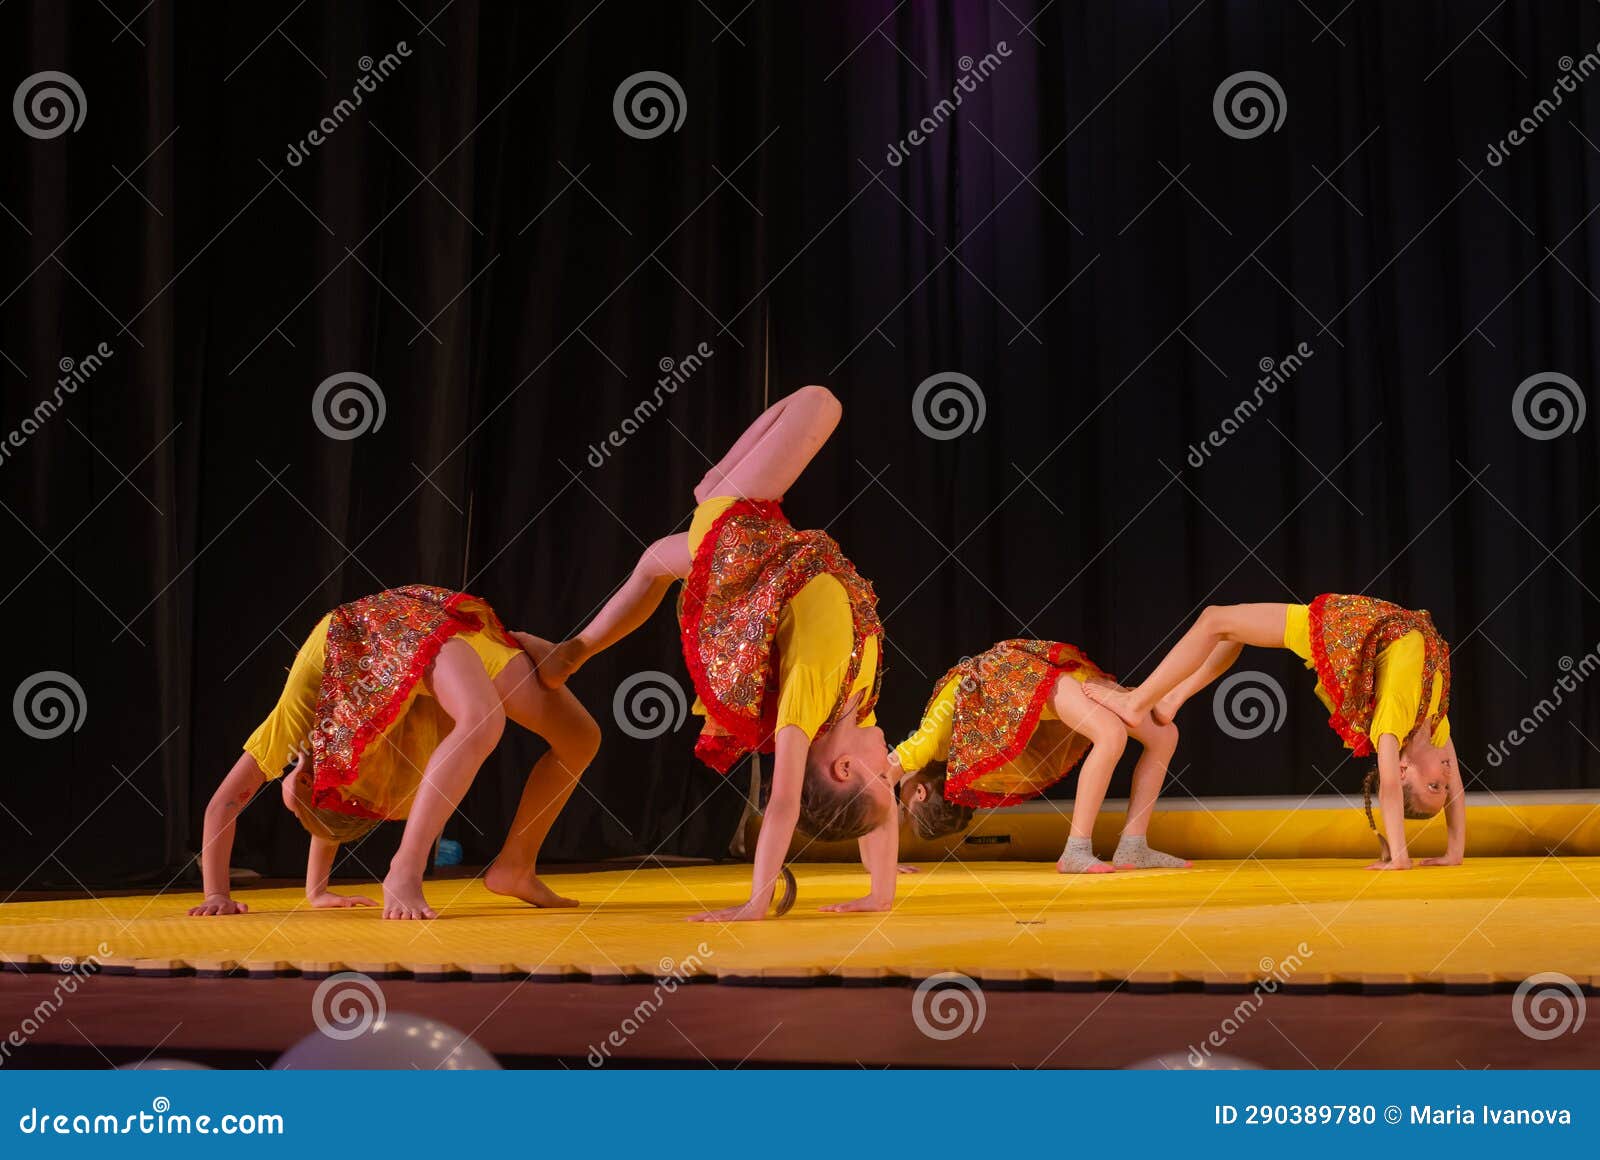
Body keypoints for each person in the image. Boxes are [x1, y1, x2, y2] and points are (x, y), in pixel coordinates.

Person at [539, 386, 898, 920]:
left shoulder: (808, 703)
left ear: (845, 768)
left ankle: (708, 497)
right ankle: (582, 646)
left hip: (741, 543)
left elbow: (782, 803)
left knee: (821, 404)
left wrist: (756, 902)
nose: (894, 766)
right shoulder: (858, 705)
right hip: (767, 558)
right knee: (655, 563)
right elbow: (880, 817)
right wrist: (880, 894)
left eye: (885, 776)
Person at [188, 585, 600, 919]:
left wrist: (217, 892)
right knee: (573, 736)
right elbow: (328, 819)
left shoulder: (298, 724)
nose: (302, 790)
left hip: (370, 633)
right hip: (436, 651)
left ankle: (421, 868)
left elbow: (223, 804)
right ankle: (500, 867)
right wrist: (317, 892)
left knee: (501, 722)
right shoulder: (348, 778)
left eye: (306, 796)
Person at [1084, 596, 1464, 869]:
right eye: (1443, 787)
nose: (1446, 779)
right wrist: (1455, 850)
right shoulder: (1434, 724)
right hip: (1370, 626)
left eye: (1435, 787)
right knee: (1228, 629)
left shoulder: (1392, 723)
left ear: (1402, 770)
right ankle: (1170, 700)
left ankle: (1137, 704)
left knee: (1216, 620)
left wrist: (1399, 856)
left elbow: (1389, 787)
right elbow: (1459, 786)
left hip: (1344, 635)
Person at [895, 639, 1189, 872]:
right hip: (1019, 688)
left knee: (1155, 736)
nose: (897, 802)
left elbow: (878, 778)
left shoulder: (928, 745)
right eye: (902, 807)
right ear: (920, 792)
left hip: (1011, 677)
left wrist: (881, 862)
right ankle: (1082, 849)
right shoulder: (960, 765)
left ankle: (1128, 846)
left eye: (902, 811)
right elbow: (878, 780)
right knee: (1125, 735)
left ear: (920, 792)